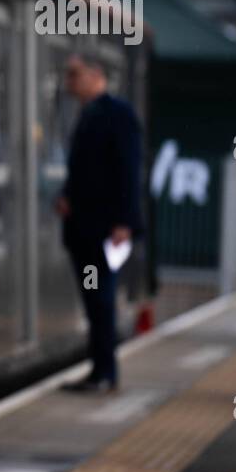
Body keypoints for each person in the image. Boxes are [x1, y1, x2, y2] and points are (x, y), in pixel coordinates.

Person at [56, 52, 143, 393]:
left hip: (104, 230)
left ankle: (105, 372)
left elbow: (128, 170)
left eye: (75, 75)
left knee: (101, 298)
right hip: (83, 229)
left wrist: (124, 222)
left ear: (95, 74)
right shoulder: (89, 115)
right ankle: (99, 369)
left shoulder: (117, 115)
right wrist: (67, 197)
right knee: (93, 300)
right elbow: (83, 171)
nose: (69, 83)